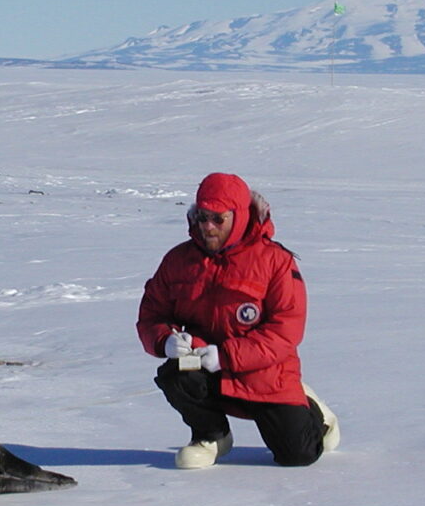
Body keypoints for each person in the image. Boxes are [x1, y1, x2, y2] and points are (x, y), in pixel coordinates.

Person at [137, 172, 340, 469]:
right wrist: (164, 339)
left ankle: (313, 411)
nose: (208, 226)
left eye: (218, 218)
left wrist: (227, 356)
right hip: (205, 367)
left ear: (239, 216)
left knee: (297, 455)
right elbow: (152, 314)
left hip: (265, 372)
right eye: (202, 216)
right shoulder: (178, 260)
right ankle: (211, 436)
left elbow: (286, 332)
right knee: (176, 374)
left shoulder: (276, 261)